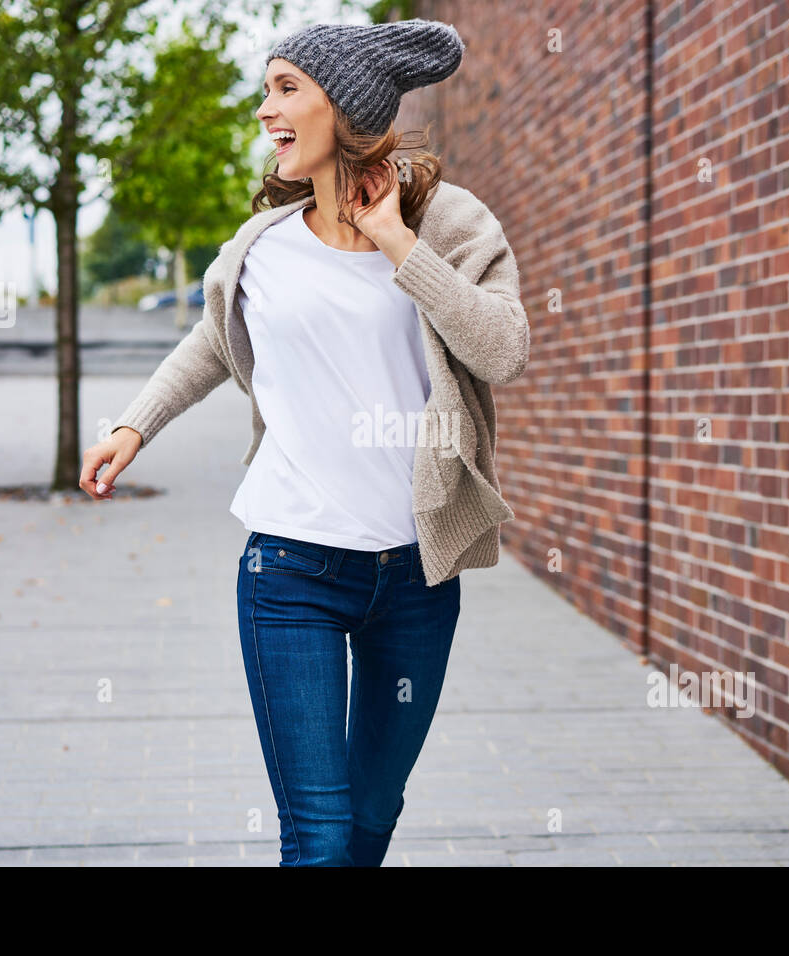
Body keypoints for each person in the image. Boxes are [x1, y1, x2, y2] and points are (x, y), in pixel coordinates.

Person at [80, 18, 530, 865]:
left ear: (348, 107)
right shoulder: (264, 246)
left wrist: (400, 243)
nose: (264, 109)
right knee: (319, 840)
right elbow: (214, 339)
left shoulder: (454, 223)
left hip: (417, 575)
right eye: (266, 89)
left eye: (286, 88)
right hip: (291, 572)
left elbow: (502, 348)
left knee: (370, 819)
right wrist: (133, 424)